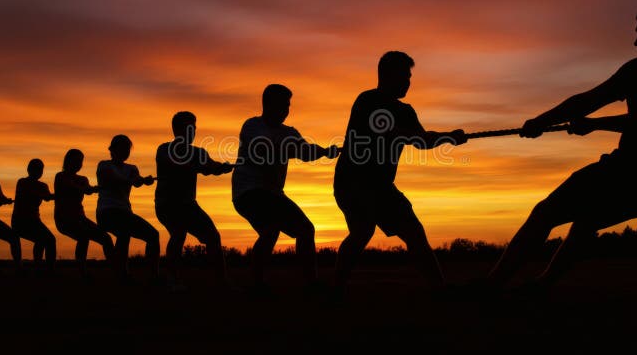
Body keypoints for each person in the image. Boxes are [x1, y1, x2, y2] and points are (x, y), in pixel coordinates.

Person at [483, 3, 637, 294]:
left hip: (630, 173)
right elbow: (601, 107)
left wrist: (554, 122)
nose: (636, 41)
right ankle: (540, 286)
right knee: (586, 222)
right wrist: (556, 122)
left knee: (546, 213)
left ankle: (492, 287)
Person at [333, 51, 468, 296]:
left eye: (409, 77)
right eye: (404, 76)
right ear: (386, 75)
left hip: (381, 186)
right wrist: (445, 136)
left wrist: (449, 138)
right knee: (363, 231)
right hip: (353, 182)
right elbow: (393, 133)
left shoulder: (406, 110)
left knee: (414, 232)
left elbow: (421, 142)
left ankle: (440, 289)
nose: (408, 82)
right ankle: (336, 288)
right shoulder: (367, 101)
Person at [232, 84, 339, 294]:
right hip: (248, 192)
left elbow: (305, 152)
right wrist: (295, 148)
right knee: (272, 230)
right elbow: (262, 147)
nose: (286, 110)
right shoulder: (252, 126)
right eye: (282, 105)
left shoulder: (289, 132)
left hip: (272, 194)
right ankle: (260, 284)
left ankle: (308, 282)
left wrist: (325, 152)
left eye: (288, 106)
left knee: (303, 230)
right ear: (268, 105)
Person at [156, 111, 234, 290]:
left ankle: (222, 282)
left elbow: (210, 165)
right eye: (188, 127)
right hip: (167, 204)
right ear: (176, 129)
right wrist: (202, 167)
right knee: (178, 233)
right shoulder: (164, 149)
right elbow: (178, 164)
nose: (192, 131)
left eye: (194, 128)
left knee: (213, 237)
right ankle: (172, 280)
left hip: (189, 205)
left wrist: (220, 167)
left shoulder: (199, 152)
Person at [96, 134, 159, 283]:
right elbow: (116, 178)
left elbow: (136, 181)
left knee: (134, 235)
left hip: (123, 212)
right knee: (131, 235)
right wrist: (137, 180)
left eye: (128, 149)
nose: (125, 151)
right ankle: (132, 274)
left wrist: (143, 180)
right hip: (107, 212)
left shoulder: (132, 168)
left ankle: (126, 275)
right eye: (122, 148)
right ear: (112, 149)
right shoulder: (104, 165)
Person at [54, 148, 115, 279]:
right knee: (83, 237)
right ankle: (83, 273)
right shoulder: (60, 176)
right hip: (64, 219)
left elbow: (86, 189)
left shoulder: (83, 179)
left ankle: (116, 270)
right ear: (68, 161)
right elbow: (72, 186)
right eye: (75, 161)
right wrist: (88, 189)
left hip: (80, 218)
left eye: (80, 161)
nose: (78, 164)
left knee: (106, 238)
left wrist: (92, 189)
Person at [12, 158, 57, 275]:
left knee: (48, 239)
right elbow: (30, 194)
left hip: (34, 220)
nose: (38, 171)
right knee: (44, 239)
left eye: (40, 169)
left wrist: (61, 195)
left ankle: (46, 269)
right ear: (29, 169)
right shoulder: (22, 182)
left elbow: (48, 197)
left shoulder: (43, 185)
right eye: (35, 169)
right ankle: (41, 268)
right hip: (20, 220)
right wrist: (46, 196)